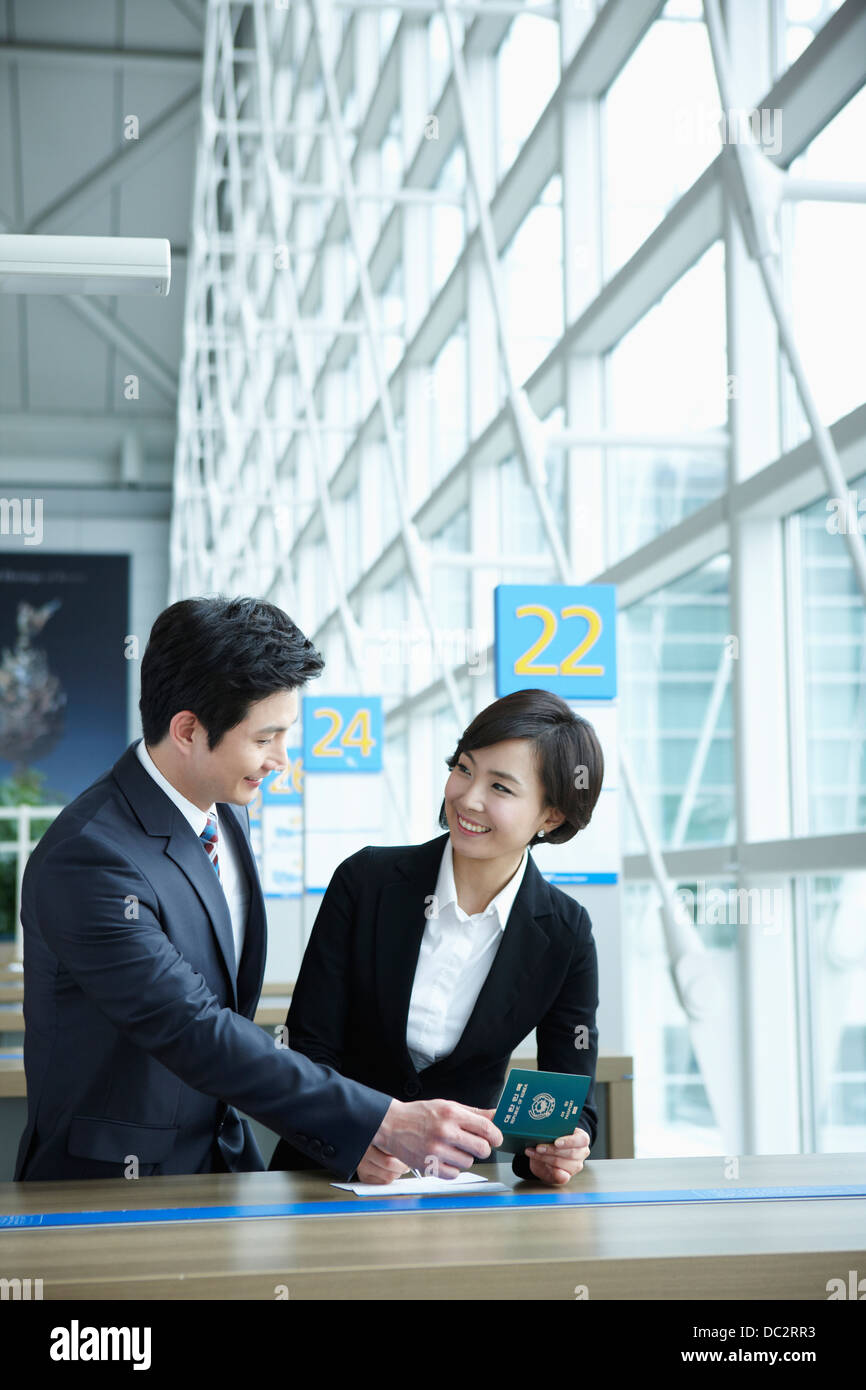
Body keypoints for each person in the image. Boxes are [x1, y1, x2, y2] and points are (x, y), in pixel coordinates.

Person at [15, 596, 500, 1182]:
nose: (282, 760)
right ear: (189, 730)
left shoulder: (225, 809)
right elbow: (193, 1028)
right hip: (109, 1188)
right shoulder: (88, 858)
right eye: (266, 738)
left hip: (219, 1161)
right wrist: (384, 1120)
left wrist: (349, 1131)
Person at [270, 688, 603, 1187]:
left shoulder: (565, 933)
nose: (468, 798)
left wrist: (561, 1145)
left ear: (550, 816)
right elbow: (307, 1050)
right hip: (325, 1174)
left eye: (501, 788)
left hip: (460, 1191)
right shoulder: (365, 883)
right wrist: (355, 1137)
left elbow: (568, 1099)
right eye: (464, 769)